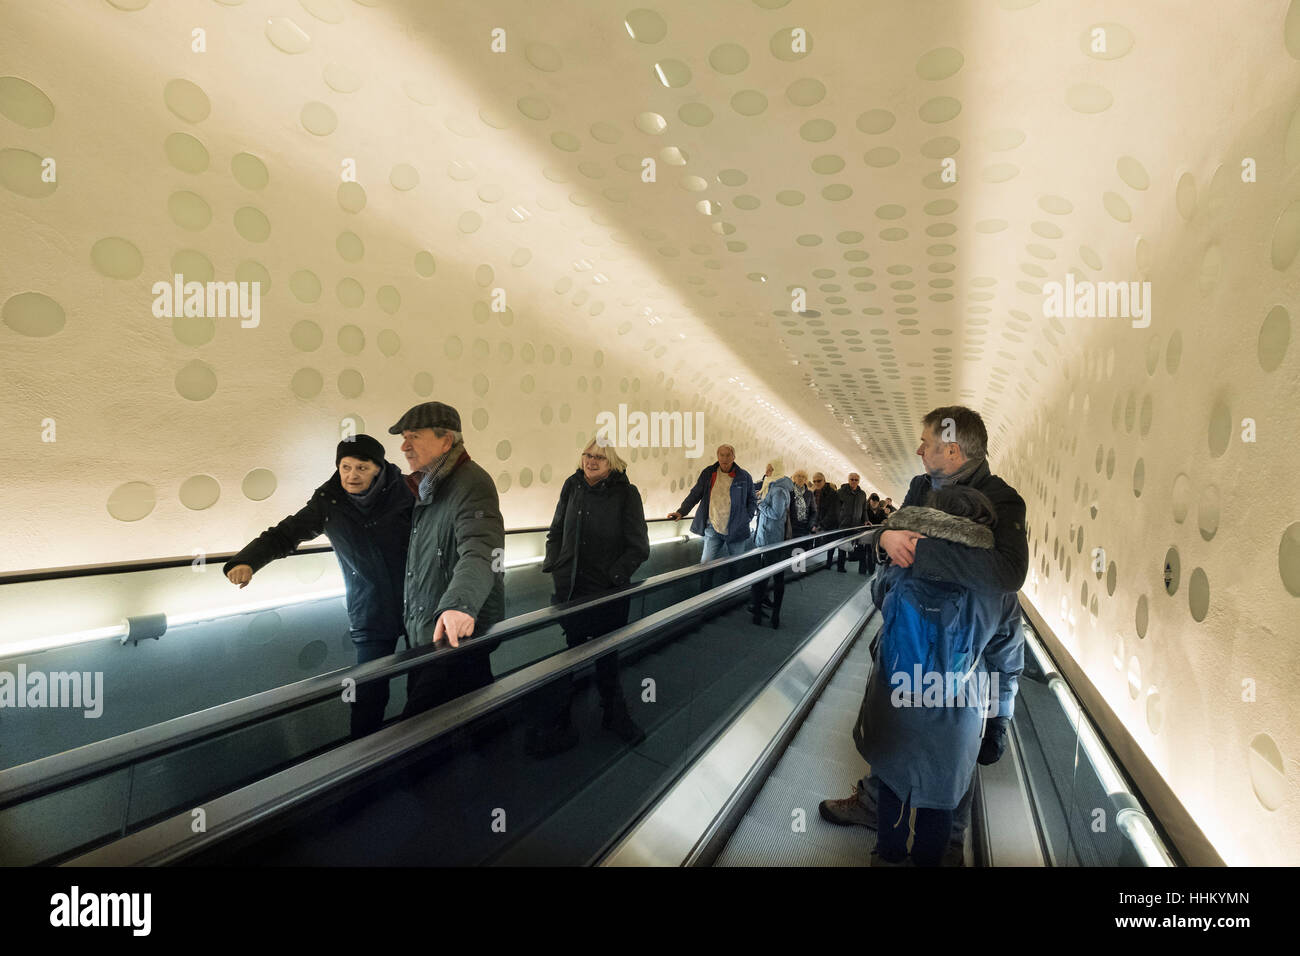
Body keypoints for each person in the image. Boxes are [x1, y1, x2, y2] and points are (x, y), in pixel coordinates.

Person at [819, 404, 1029, 863]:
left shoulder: (1002, 499)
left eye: (926, 442)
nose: (918, 450)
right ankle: (932, 845)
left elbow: (1009, 571)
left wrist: (915, 554)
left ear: (951, 449)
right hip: (955, 692)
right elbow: (1007, 650)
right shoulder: (921, 486)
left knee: (903, 765)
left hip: (906, 680)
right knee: (945, 770)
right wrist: (886, 539)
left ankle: (908, 844)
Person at [850, 486, 1016, 866]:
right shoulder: (999, 588)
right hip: (956, 712)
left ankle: (887, 857)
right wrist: (998, 718)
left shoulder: (903, 561)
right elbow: (1006, 659)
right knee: (940, 800)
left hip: (894, 698)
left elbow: (879, 596)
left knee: (892, 783)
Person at [223, 434, 412, 738]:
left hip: (419, 602)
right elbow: (285, 534)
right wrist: (246, 561)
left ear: (378, 469)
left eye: (361, 468)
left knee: (426, 677)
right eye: (345, 467)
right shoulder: (329, 502)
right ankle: (362, 761)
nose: (351, 475)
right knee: (368, 693)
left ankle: (423, 747)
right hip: (370, 610)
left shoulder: (406, 493)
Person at [528, 436, 650, 757]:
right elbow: (556, 530)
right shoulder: (573, 486)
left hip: (607, 594)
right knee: (570, 656)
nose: (591, 461)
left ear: (612, 462)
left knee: (606, 656)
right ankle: (563, 725)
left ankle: (614, 715)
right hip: (573, 592)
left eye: (600, 457)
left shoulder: (626, 493)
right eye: (587, 455)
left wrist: (614, 577)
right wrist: (554, 564)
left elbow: (639, 546)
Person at [391, 401, 506, 717]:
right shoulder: (427, 485)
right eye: (403, 437)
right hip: (429, 630)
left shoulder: (471, 483)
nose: (404, 446)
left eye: (413, 436)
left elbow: (482, 549)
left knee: (418, 725)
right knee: (473, 706)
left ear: (446, 441)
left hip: (454, 631)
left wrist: (460, 605)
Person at [667, 444, 757, 562]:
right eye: (722, 455)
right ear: (717, 456)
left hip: (737, 529)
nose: (725, 459)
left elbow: (752, 499)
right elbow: (695, 494)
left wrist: (746, 518)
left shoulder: (744, 477)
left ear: (734, 457)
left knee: (737, 565)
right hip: (713, 528)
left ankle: (735, 581)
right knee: (705, 564)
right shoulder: (708, 473)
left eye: (728, 455)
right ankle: (706, 581)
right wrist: (681, 511)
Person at [748, 460, 793, 629]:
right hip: (767, 538)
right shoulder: (771, 486)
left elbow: (776, 513)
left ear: (777, 470)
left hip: (772, 540)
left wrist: (760, 505)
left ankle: (770, 615)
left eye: (770, 469)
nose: (766, 471)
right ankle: (765, 612)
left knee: (769, 577)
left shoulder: (779, 490)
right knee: (769, 577)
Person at [836, 473, 869, 574]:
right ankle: (840, 567)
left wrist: (866, 520)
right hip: (843, 525)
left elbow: (864, 509)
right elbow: (836, 508)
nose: (854, 481)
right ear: (848, 480)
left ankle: (862, 569)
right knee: (842, 548)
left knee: (859, 547)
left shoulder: (862, 494)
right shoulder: (841, 492)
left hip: (856, 525)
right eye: (852, 479)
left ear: (858, 481)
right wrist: (838, 520)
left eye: (856, 480)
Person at [811, 472, 840, 569]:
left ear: (824, 480)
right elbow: (814, 510)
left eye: (819, 481)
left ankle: (828, 563)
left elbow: (833, 512)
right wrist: (815, 523)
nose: (816, 483)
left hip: (829, 525)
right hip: (818, 524)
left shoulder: (832, 494)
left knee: (829, 545)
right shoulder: (815, 492)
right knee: (820, 544)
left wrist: (821, 525)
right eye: (814, 481)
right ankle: (819, 563)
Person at [788, 469, 817, 539]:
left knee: (805, 548)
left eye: (803, 477)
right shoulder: (790, 492)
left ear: (805, 480)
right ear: (794, 478)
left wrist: (811, 524)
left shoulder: (809, 494)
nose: (800, 478)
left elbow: (814, 511)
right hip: (792, 528)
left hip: (805, 528)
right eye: (798, 476)